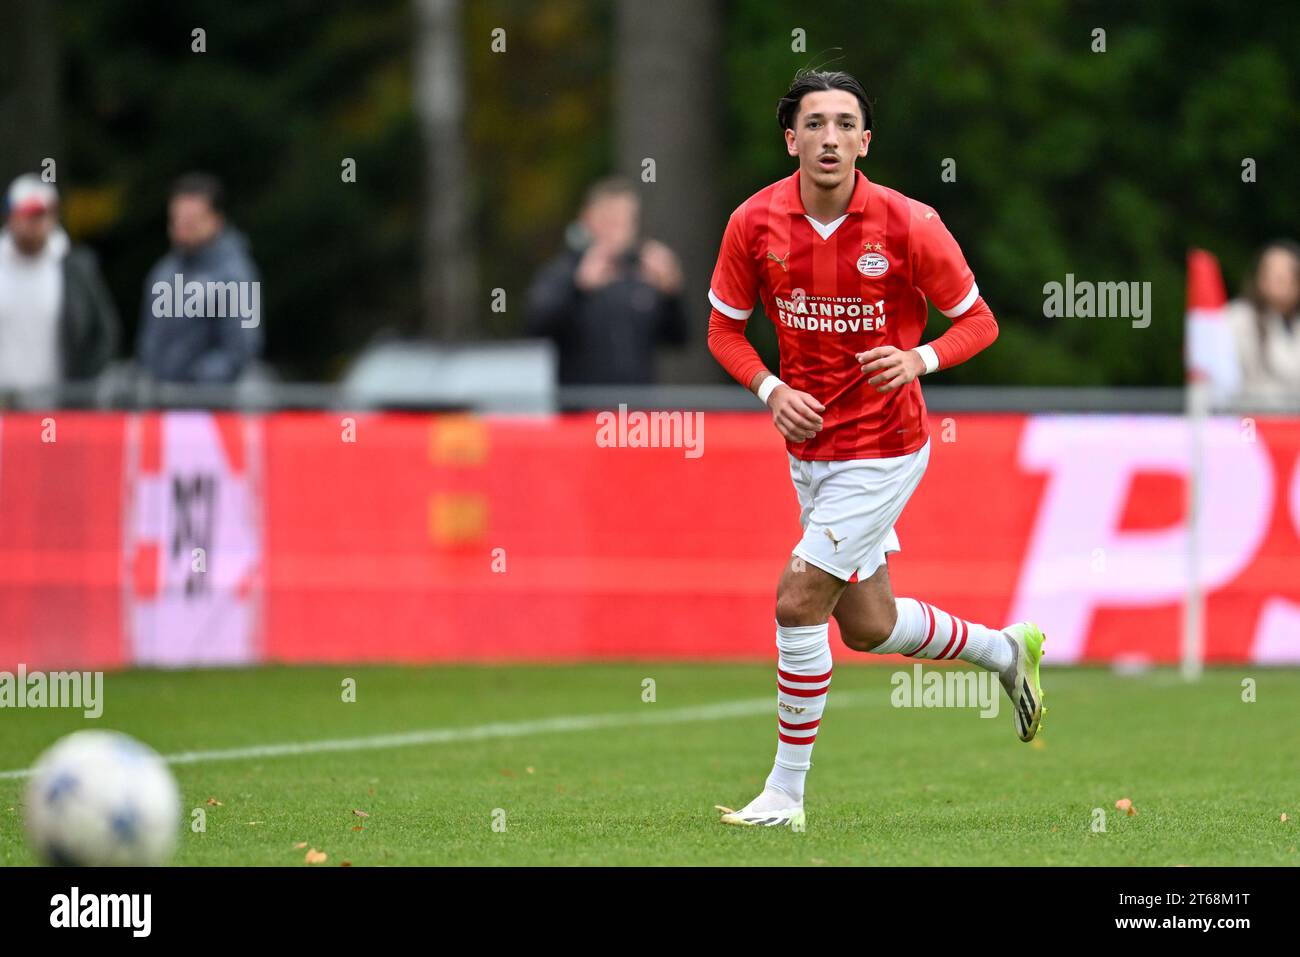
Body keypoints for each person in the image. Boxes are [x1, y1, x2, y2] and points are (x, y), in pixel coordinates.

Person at [706, 70, 1046, 828]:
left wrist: (917, 359)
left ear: (866, 140)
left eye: (845, 123)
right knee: (866, 624)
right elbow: (724, 330)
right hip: (811, 450)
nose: (830, 137)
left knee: (797, 601)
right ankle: (1004, 651)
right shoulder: (753, 222)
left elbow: (979, 320)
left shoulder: (908, 223)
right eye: (815, 123)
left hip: (886, 445)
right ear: (791, 139)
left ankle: (785, 795)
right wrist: (770, 389)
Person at [525, 176, 686, 385]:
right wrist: (578, 288)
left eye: (626, 220)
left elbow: (678, 339)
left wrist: (671, 293)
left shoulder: (643, 273)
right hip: (582, 410)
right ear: (587, 219)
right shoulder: (564, 271)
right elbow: (535, 327)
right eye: (610, 220)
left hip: (636, 411)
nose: (618, 230)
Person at [136, 173, 263, 384]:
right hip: (160, 402)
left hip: (211, 405)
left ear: (216, 220)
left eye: (192, 221)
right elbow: (149, 342)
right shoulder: (163, 271)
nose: (182, 228)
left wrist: (192, 384)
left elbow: (240, 351)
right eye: (177, 220)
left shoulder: (236, 275)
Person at [0, 174, 119, 391]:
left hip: (59, 405)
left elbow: (104, 331)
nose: (33, 224)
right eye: (27, 214)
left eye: (40, 215)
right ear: (11, 216)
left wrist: (81, 386)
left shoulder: (75, 268)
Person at [1226, 240, 1300, 401]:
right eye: (1271, 272)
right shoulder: (1237, 318)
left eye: (1286, 273)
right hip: (1249, 419)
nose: (1278, 279)